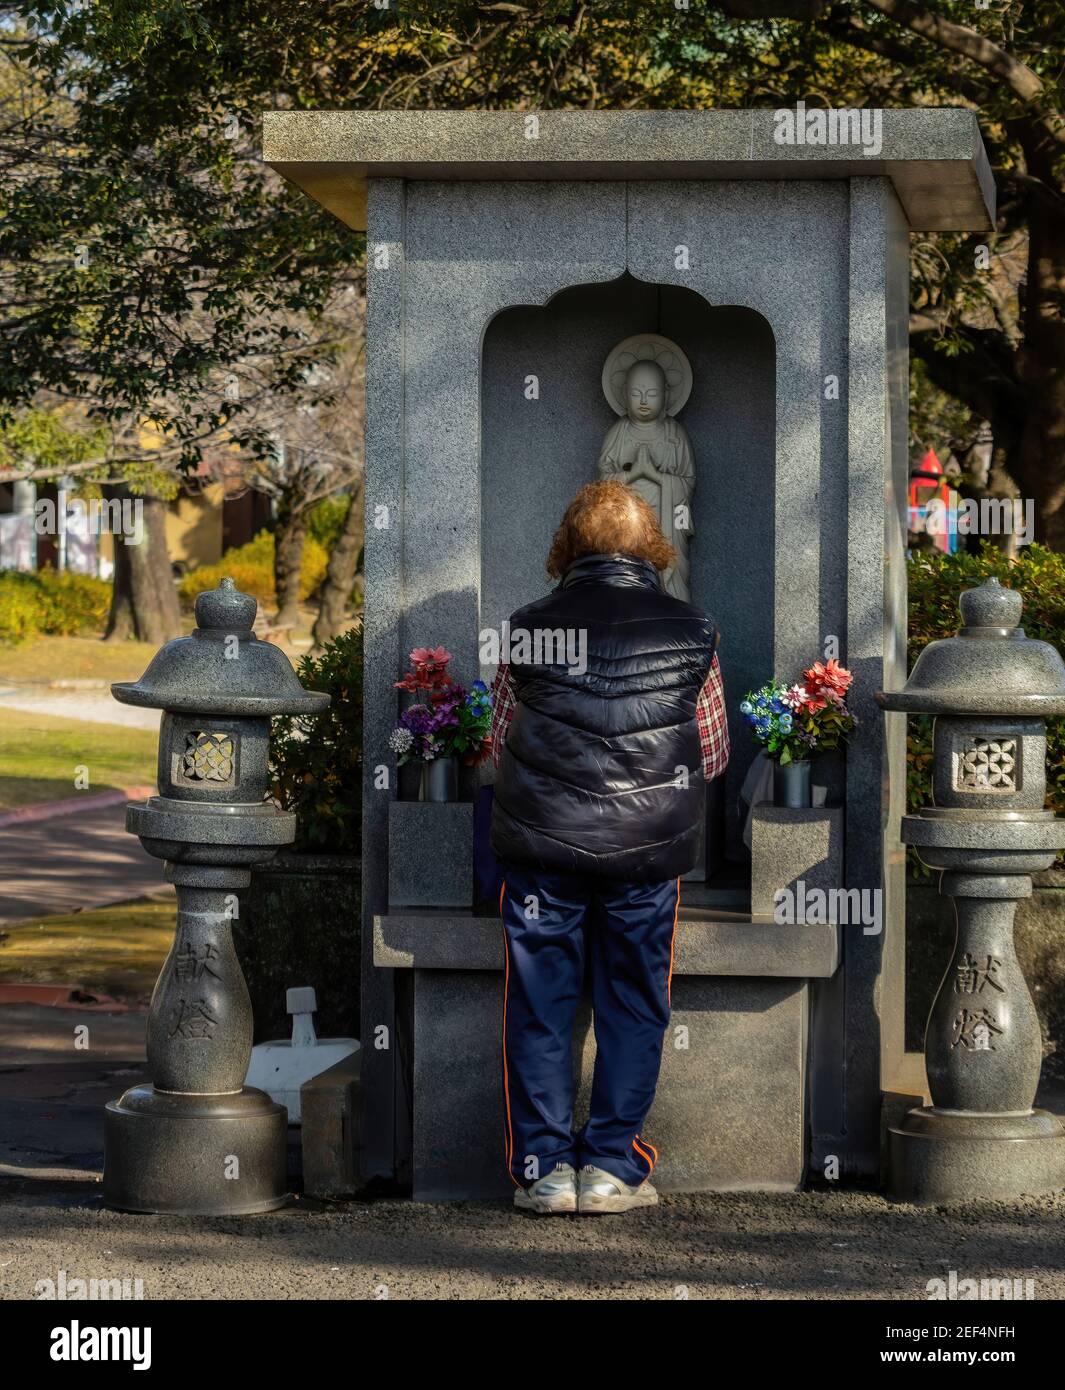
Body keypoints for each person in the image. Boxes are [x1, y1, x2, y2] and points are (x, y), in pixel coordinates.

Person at [489, 480, 729, 1215]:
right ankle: (613, 1169)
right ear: (650, 545)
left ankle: (543, 1170)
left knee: (538, 1005)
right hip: (646, 855)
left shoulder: (526, 626)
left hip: (541, 851)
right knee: (634, 1004)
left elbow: (500, 741)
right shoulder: (693, 628)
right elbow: (712, 753)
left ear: (568, 544)